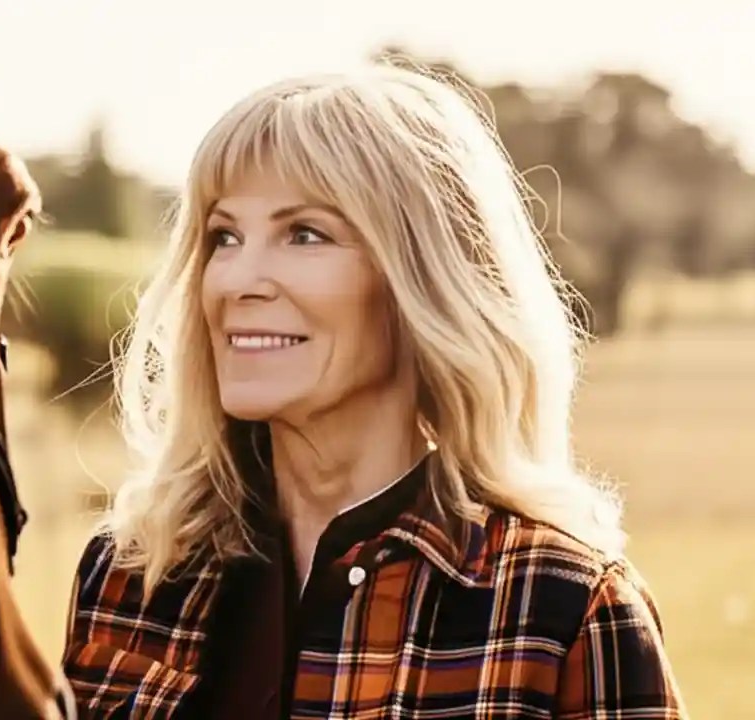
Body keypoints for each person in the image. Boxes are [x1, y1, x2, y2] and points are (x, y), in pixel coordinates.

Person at [60, 63, 688, 719]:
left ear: (422, 278)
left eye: (304, 234)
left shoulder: (563, 609)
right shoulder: (130, 573)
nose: (238, 279)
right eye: (225, 236)